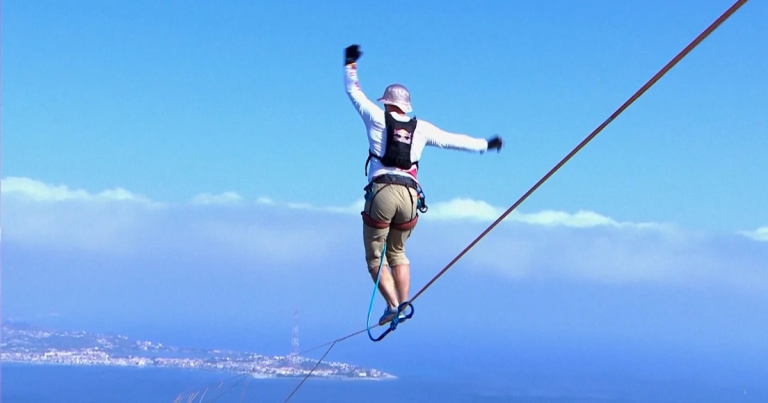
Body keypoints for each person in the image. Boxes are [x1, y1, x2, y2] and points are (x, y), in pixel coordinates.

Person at [343, 44, 503, 326]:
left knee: (374, 257)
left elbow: (354, 92)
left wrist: (350, 64)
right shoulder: (422, 128)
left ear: (387, 103)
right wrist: (486, 145)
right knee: (397, 252)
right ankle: (403, 304)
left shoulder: (376, 117)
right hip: (410, 198)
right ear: (407, 106)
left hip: (382, 192)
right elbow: (454, 140)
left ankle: (392, 305)